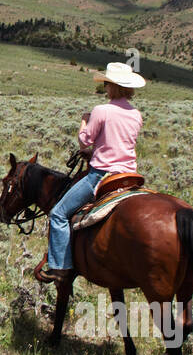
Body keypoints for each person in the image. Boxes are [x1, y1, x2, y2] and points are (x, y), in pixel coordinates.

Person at [42, 61, 145, 282]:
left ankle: (60, 266)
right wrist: (97, 151)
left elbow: (84, 141)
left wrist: (84, 121)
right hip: (129, 176)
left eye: (107, 84)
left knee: (58, 213)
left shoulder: (101, 111)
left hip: (101, 176)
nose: (105, 88)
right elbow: (117, 142)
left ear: (112, 86)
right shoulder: (136, 114)